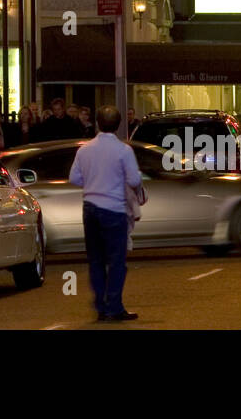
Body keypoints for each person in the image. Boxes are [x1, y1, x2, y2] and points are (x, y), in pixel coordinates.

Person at [69, 105, 143, 322]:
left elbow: (74, 178)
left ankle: (101, 306)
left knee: (96, 260)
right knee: (116, 261)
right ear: (119, 125)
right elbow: (134, 180)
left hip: (90, 207)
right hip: (113, 209)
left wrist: (92, 182)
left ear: (98, 123)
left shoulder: (84, 150)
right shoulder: (123, 150)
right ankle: (114, 307)